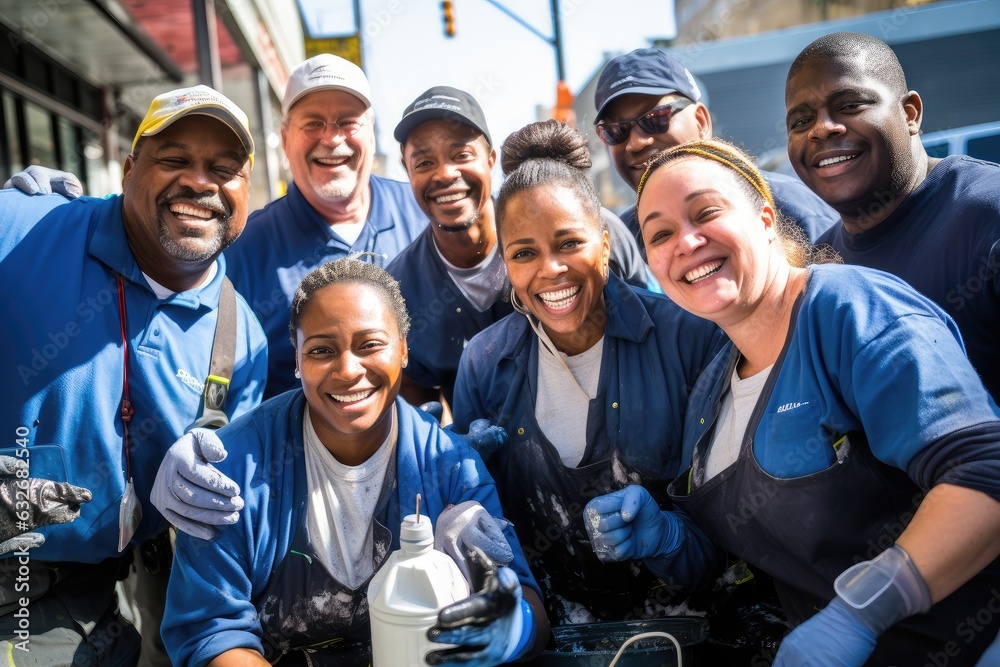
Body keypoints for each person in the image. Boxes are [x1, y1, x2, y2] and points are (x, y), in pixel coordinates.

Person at [602, 138, 1000, 666]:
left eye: (706, 212)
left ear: (766, 218)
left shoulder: (849, 311)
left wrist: (860, 613)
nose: (687, 241)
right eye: (661, 234)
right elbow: (740, 554)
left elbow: (984, 475)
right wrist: (667, 538)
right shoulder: (711, 391)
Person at [161, 258, 548, 666]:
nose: (347, 371)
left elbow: (526, 603)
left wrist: (514, 626)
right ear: (296, 360)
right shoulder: (233, 473)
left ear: (403, 349)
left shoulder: (452, 469)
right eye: (321, 350)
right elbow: (211, 632)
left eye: (370, 345)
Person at [0, 85, 268, 663]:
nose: (200, 182)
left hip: (130, 605)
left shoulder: (242, 338)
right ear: (128, 170)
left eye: (224, 169)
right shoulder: (18, 227)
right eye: (173, 159)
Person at [449, 122, 722, 626]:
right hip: (558, 636)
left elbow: (736, 530)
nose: (550, 270)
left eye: (568, 243)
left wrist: (668, 536)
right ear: (505, 263)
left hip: (690, 631)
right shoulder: (484, 363)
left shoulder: (691, 338)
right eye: (524, 253)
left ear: (603, 240)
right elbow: (484, 527)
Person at [388, 87, 653, 407]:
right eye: (424, 162)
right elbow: (412, 386)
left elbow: (655, 323)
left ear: (490, 159)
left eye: (461, 155)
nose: (445, 174)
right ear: (406, 169)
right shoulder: (399, 290)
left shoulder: (594, 232)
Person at [784, 32, 1000, 402]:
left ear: (910, 113)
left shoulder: (988, 211)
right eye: (801, 121)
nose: (822, 128)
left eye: (850, 105)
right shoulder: (818, 266)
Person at [225, 54, 427, 399]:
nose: (332, 139)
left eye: (348, 122)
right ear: (286, 138)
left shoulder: (424, 214)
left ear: (373, 134)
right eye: (313, 124)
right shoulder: (243, 251)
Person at [594, 47, 838, 251]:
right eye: (616, 130)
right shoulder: (618, 246)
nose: (637, 142)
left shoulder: (793, 209)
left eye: (655, 118)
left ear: (701, 122)